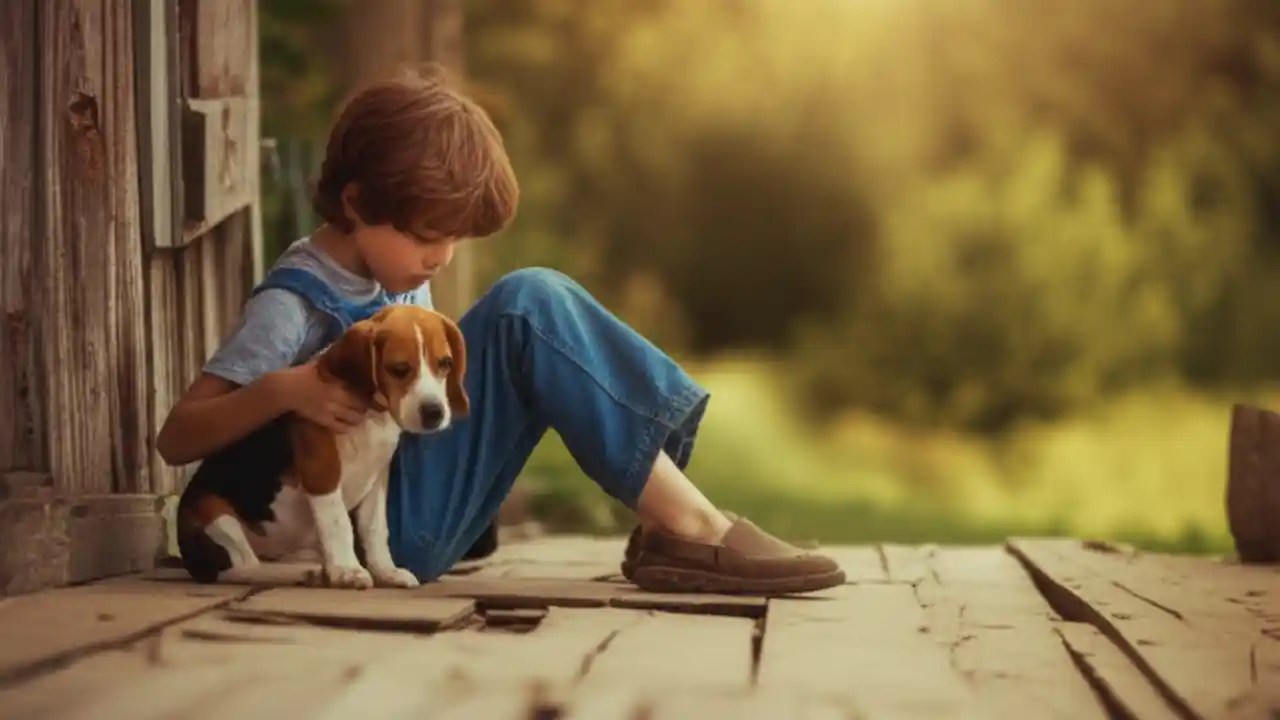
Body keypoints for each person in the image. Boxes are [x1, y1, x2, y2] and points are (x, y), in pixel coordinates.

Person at [156, 68, 845, 594]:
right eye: (431, 237)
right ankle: (689, 527)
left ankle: (673, 517)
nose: (443, 258)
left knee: (532, 308)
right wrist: (283, 390)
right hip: (369, 538)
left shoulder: (399, 284)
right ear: (359, 203)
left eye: (455, 239)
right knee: (525, 306)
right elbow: (178, 436)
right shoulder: (293, 306)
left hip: (398, 506)